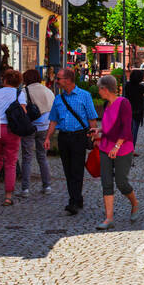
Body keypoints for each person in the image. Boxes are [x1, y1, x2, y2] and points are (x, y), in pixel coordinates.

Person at [45, 67, 98, 216]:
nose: (56, 81)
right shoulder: (58, 99)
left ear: (67, 80)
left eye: (59, 79)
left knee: (77, 169)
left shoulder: (84, 96)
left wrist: (94, 138)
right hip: (64, 137)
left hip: (79, 137)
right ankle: (77, 197)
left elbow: (92, 118)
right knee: (68, 170)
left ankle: (73, 201)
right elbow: (53, 120)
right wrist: (48, 137)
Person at [95, 74, 139, 230]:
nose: (98, 92)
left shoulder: (124, 103)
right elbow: (111, 126)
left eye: (99, 88)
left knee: (121, 182)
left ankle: (134, 203)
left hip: (122, 149)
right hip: (105, 147)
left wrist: (117, 146)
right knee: (106, 182)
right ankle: (109, 218)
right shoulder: (107, 105)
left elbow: (126, 128)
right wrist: (99, 130)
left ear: (105, 89)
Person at [0, 68, 27, 206]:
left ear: (5, 80)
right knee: (10, 163)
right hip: (11, 129)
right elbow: (23, 112)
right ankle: (8, 196)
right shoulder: (19, 94)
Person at [18, 68, 54, 196]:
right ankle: (47, 186)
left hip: (30, 127)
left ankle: (25, 189)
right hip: (45, 128)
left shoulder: (24, 91)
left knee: (27, 158)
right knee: (42, 157)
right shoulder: (48, 91)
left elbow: (21, 110)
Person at [124, 68, 144, 156]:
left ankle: (127, 148)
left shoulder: (127, 85)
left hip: (127, 111)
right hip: (137, 112)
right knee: (134, 131)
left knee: (128, 131)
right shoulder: (140, 87)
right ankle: (131, 149)